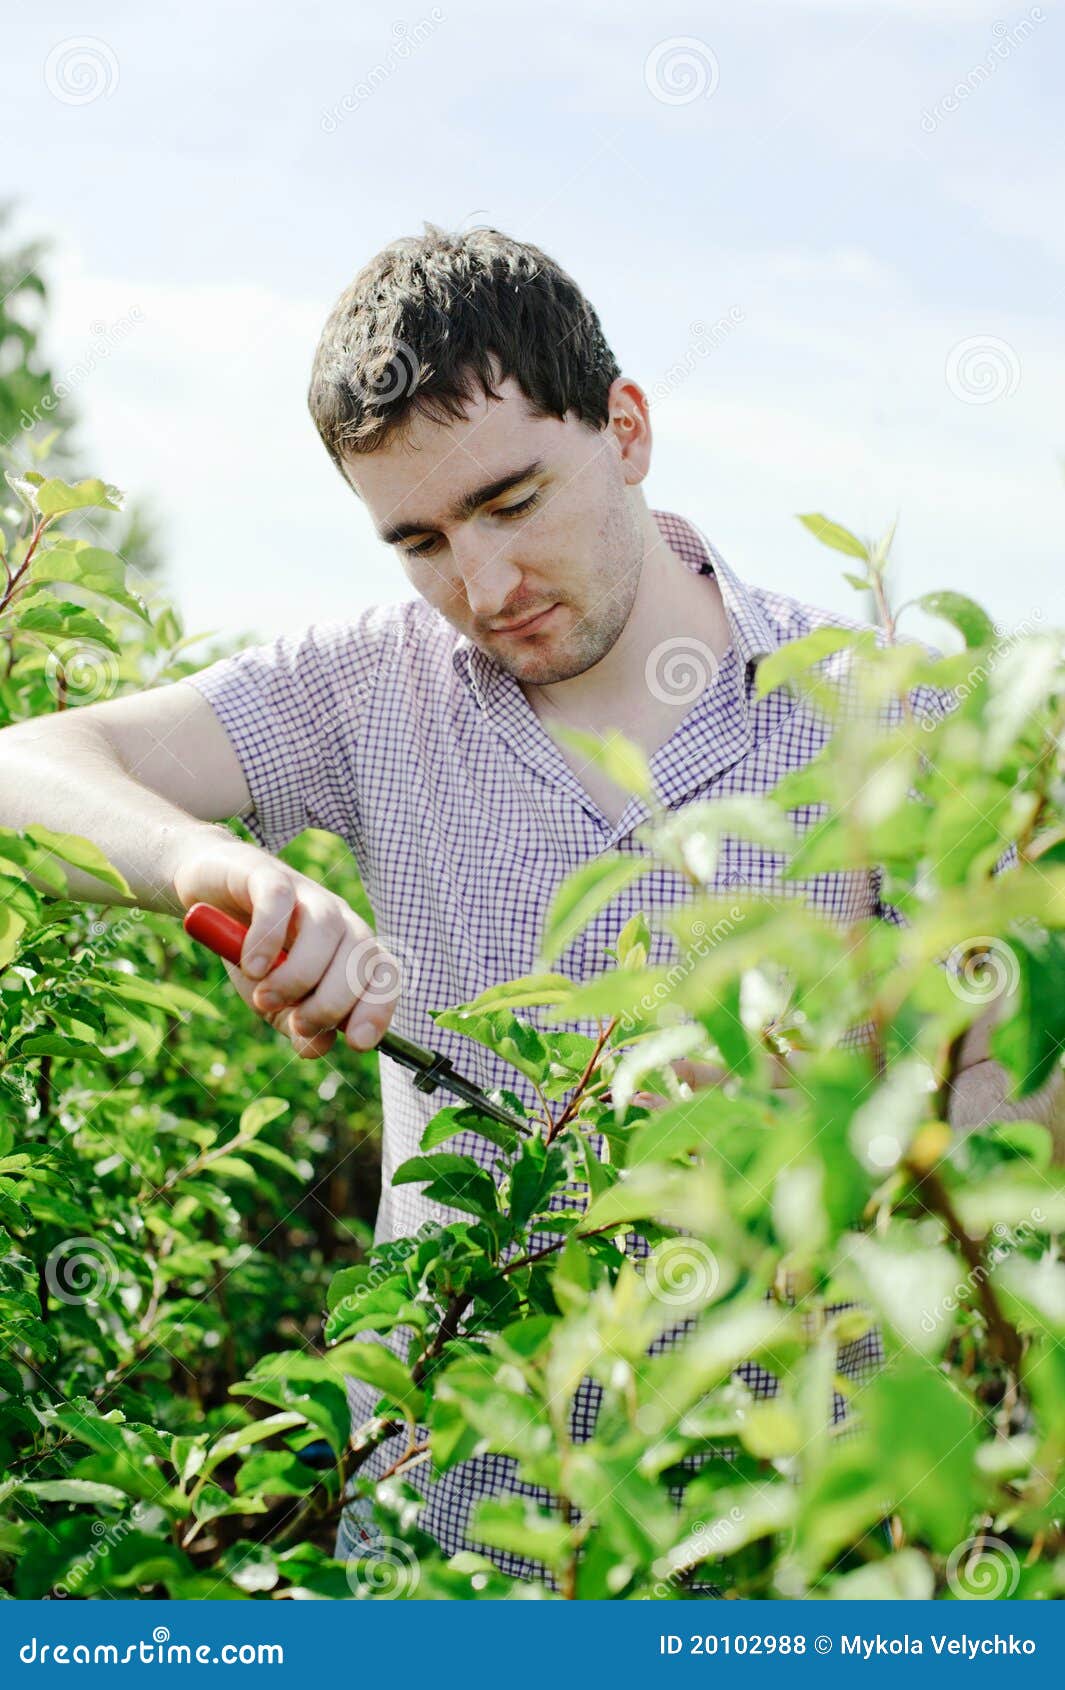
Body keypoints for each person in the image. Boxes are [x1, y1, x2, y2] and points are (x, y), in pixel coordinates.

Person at [1, 225, 1057, 1576]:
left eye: (511, 504)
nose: (482, 589)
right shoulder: (368, 687)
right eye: (420, 540)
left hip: (797, 1545)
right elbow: (28, 766)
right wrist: (215, 865)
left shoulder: (892, 712)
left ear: (624, 427)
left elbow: (1012, 1163)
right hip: (452, 1544)